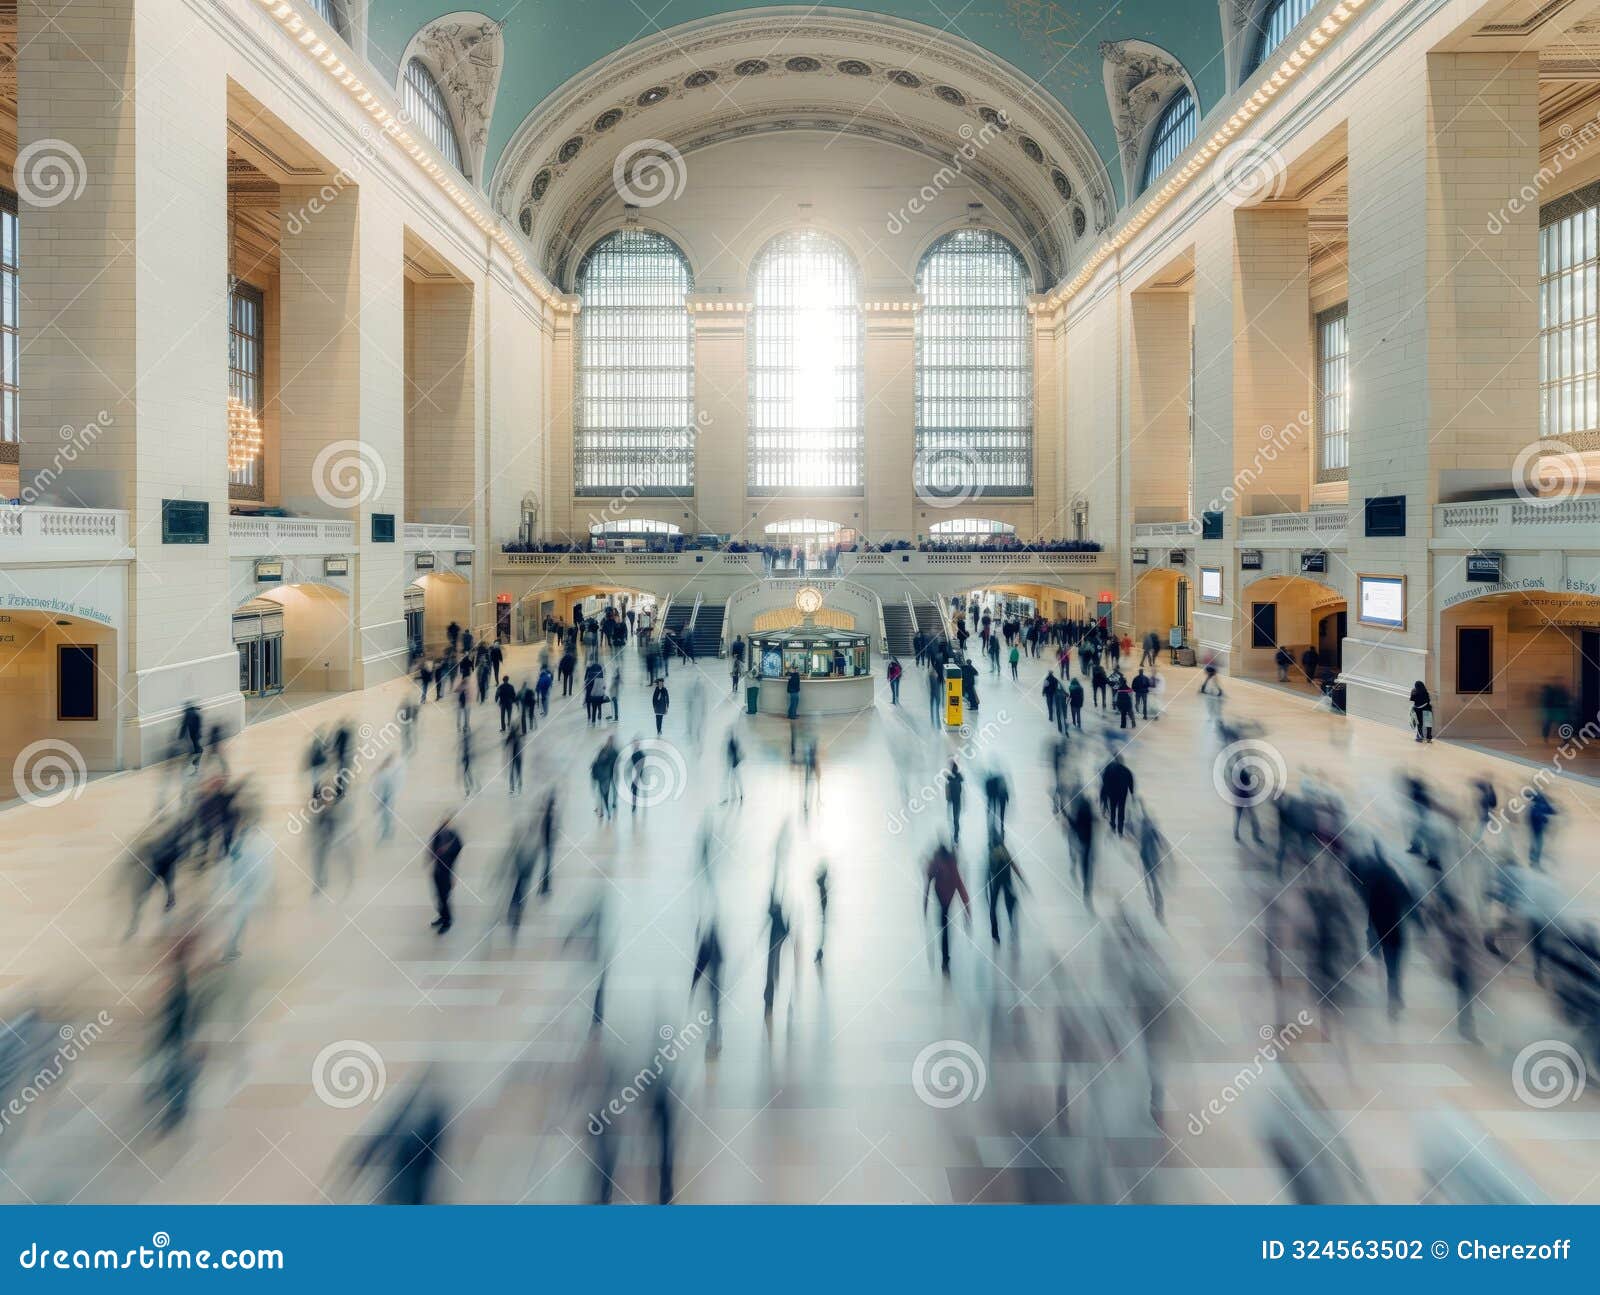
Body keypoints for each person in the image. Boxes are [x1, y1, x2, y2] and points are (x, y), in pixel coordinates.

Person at [922, 841, 972, 975]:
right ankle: (945, 958)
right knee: (945, 926)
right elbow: (961, 889)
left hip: (942, 897)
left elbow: (927, 887)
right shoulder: (951, 866)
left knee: (944, 926)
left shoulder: (935, 864)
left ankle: (945, 958)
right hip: (947, 897)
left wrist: (925, 908)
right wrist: (968, 913)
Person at [985, 839, 1024, 944]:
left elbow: (989, 872)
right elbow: (1014, 866)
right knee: (1009, 905)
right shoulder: (1005, 852)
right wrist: (1023, 881)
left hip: (997, 882)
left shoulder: (992, 853)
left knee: (993, 907)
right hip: (1007, 881)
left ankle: (995, 935)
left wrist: (986, 888)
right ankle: (1013, 926)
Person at [428, 815, 463, 935]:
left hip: (446, 872)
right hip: (437, 871)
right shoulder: (439, 833)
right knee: (438, 896)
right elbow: (432, 846)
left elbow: (458, 848)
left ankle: (447, 920)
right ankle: (442, 916)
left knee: (444, 897)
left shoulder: (454, 837)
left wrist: (445, 852)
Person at [1100, 752, 1134, 838]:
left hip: (1113, 793)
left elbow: (1105, 781)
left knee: (1113, 809)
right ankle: (1120, 831)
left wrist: (1104, 793)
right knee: (1121, 811)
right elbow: (1130, 780)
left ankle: (1113, 827)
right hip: (1122, 793)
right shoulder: (1126, 770)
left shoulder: (1110, 769)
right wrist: (1131, 791)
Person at [591, 737, 619, 820]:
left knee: (612, 790)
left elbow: (617, 761)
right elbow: (597, 761)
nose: (609, 743)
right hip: (604, 776)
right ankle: (602, 809)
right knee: (602, 792)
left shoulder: (614, 751)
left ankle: (612, 803)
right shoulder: (604, 750)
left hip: (610, 774)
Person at [945, 759, 965, 843]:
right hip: (957, 800)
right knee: (956, 818)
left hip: (952, 800)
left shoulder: (950, 778)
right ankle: (956, 834)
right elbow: (961, 790)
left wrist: (948, 798)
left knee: (954, 818)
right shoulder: (958, 777)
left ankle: (955, 833)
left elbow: (947, 789)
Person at [505, 722, 524, 794]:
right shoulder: (515, 735)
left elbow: (506, 743)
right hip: (516, 757)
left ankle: (515, 786)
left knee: (515, 772)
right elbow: (507, 743)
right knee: (516, 772)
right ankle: (516, 786)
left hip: (516, 757)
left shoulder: (515, 736)